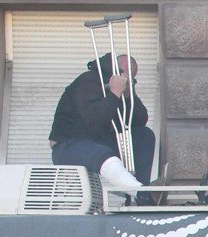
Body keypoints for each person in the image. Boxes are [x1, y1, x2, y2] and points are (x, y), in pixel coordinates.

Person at [49, 54, 153, 193]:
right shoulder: (88, 81)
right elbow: (94, 123)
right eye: (124, 75)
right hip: (68, 145)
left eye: (131, 78)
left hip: (98, 141)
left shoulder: (124, 88)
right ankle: (137, 192)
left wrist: (128, 95)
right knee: (102, 153)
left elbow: (140, 121)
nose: (125, 80)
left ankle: (141, 193)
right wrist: (115, 93)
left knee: (144, 136)